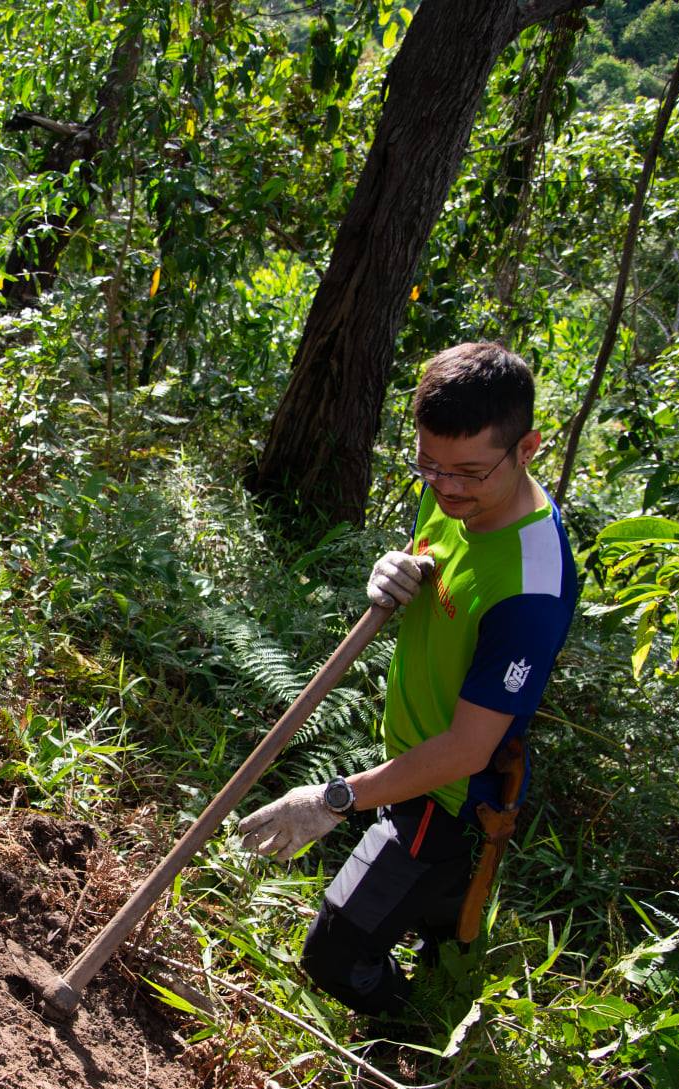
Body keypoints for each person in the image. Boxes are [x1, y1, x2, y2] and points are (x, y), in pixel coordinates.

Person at [236, 342, 578, 1016]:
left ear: (528, 449)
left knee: (335, 954)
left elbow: (466, 749)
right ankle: (444, 982)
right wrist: (397, 572)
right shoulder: (452, 491)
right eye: (430, 466)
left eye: (469, 473)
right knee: (442, 932)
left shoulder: (532, 588)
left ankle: (410, 1032)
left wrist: (330, 799)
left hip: (448, 802)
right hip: (404, 761)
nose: (446, 488)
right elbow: (437, 565)